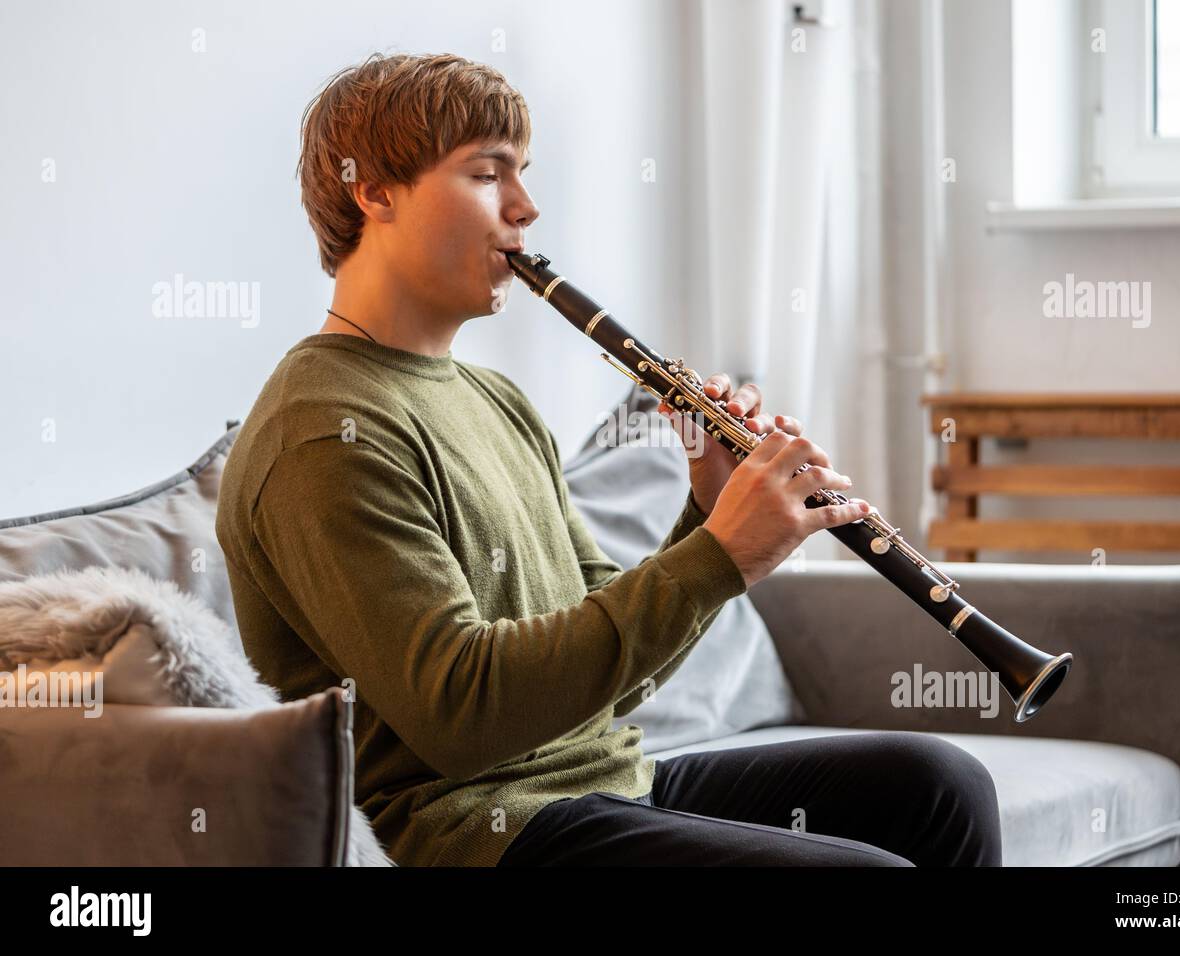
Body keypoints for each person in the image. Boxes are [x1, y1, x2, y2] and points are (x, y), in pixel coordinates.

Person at [215, 52, 1002, 867]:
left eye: (521, 174)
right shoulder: (322, 429)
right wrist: (720, 556)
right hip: (466, 830)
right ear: (373, 191)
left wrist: (706, 511)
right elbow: (460, 715)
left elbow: (612, 677)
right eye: (489, 175)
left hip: (598, 786)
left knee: (938, 784)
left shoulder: (497, 400)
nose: (525, 207)